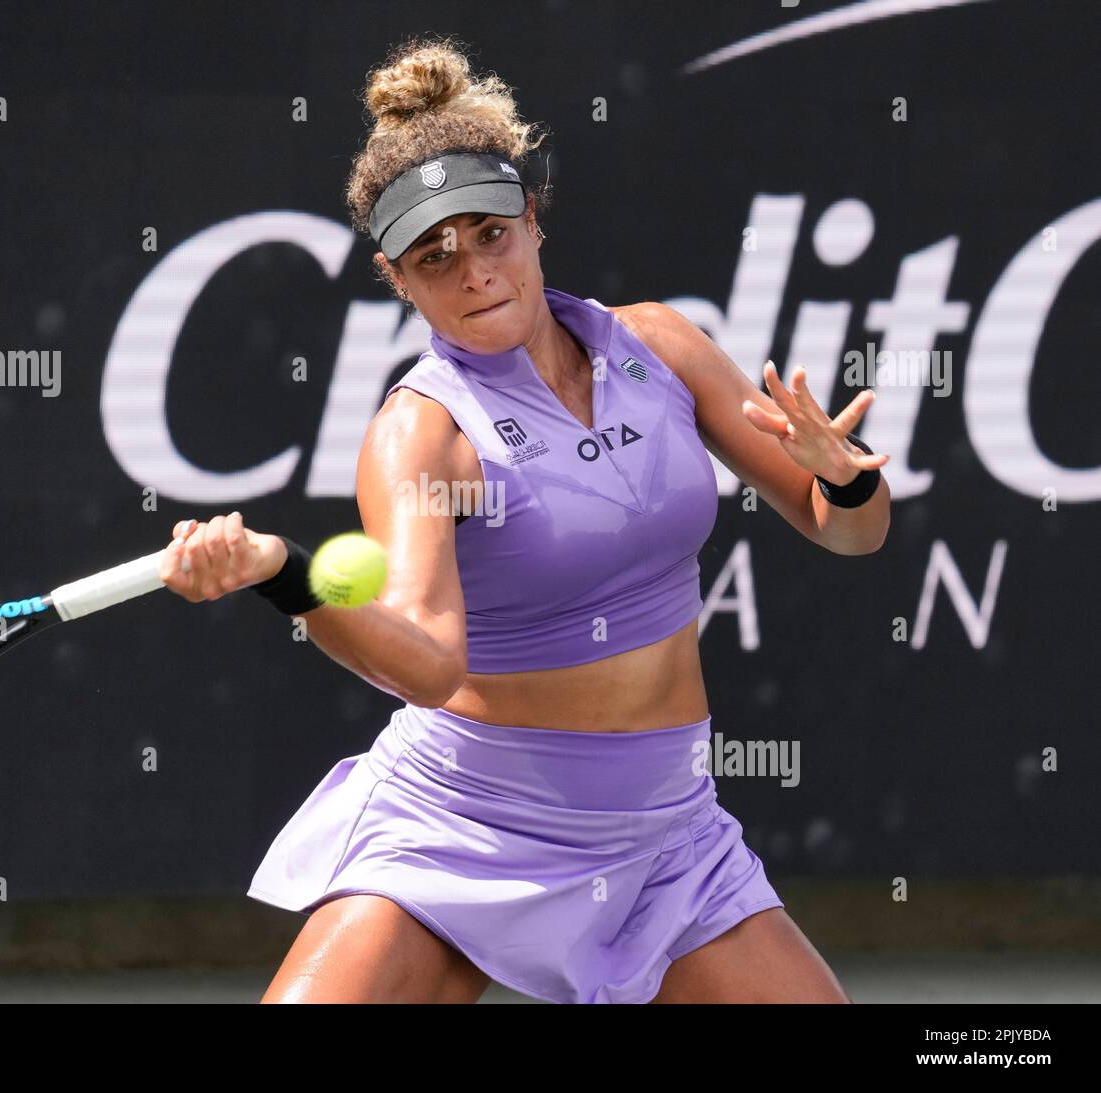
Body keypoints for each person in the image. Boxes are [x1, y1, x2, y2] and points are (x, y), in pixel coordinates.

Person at [158, 35, 890, 1004]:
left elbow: (853, 531)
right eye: (433, 257)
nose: (472, 272)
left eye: (489, 233)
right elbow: (425, 661)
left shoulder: (659, 346)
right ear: (398, 278)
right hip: (464, 825)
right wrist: (279, 571)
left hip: (663, 835)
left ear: (531, 219)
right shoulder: (419, 437)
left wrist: (838, 480)